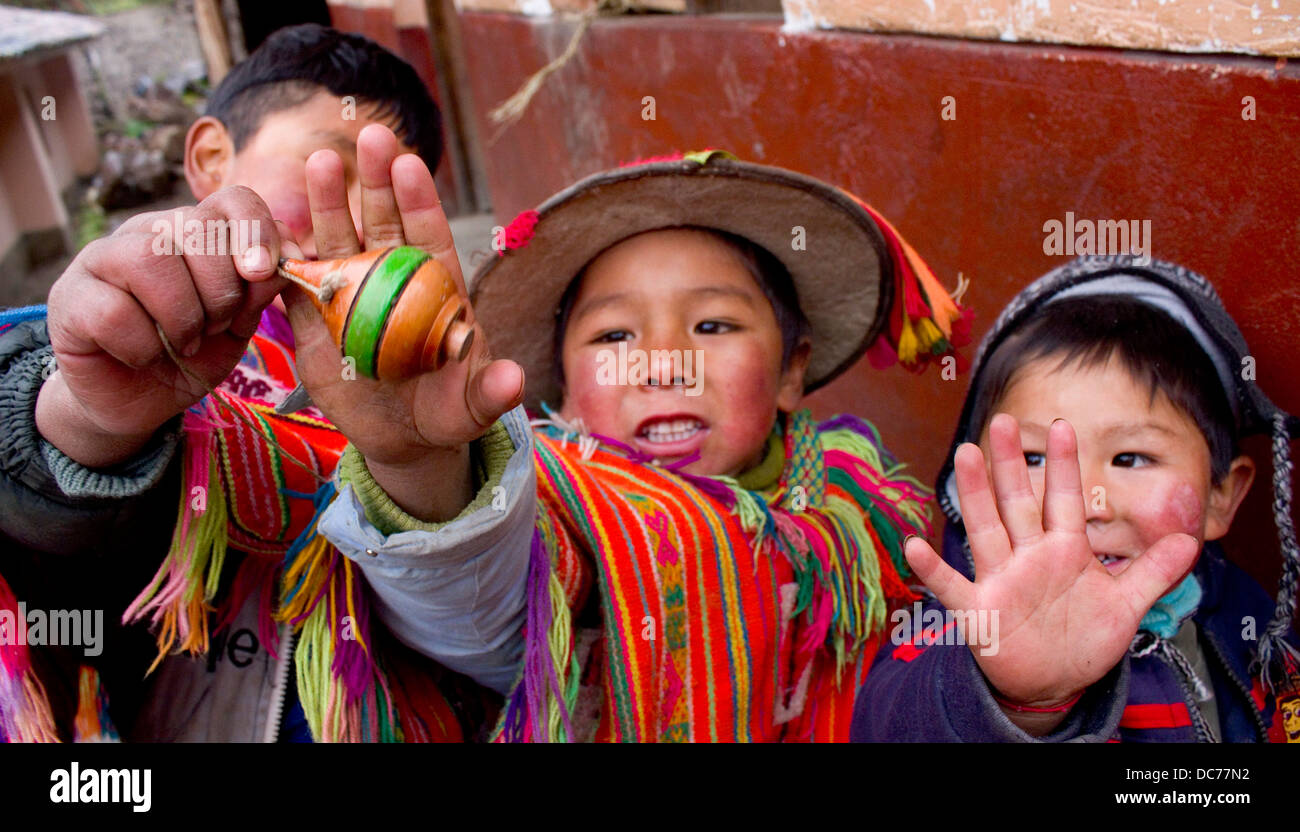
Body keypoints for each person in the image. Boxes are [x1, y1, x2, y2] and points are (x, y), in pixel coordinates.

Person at [304, 149, 972, 741]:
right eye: (614, 337)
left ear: (792, 371)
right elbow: (475, 603)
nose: (662, 364)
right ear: (560, 393)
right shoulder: (556, 509)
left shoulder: (867, 514)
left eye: (712, 324)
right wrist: (419, 464)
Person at [0, 24, 476, 742]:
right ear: (212, 157)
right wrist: (88, 422)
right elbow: (61, 556)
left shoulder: (432, 390)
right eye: (328, 166)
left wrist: (424, 467)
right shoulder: (131, 332)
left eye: (388, 200)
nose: (348, 222)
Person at [850, 255, 1300, 742]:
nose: (1084, 503)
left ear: (1222, 496)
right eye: (1035, 458)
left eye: (1130, 458)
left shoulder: (1251, 621)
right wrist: (1021, 700)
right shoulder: (956, 628)